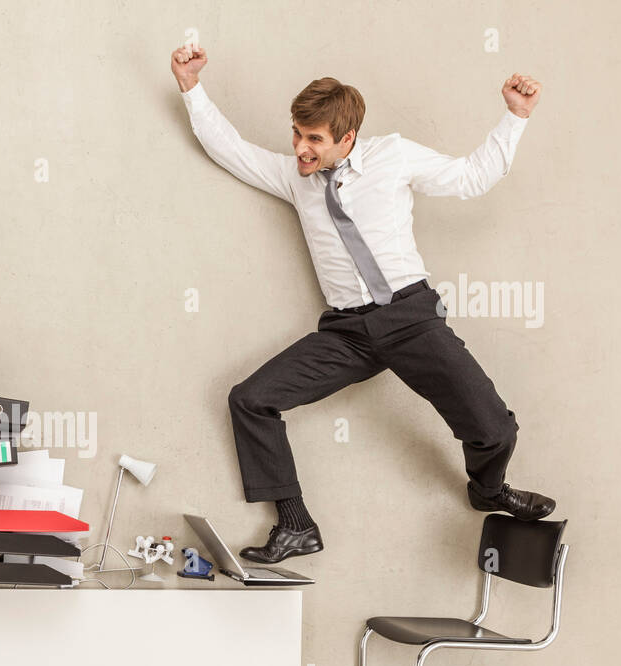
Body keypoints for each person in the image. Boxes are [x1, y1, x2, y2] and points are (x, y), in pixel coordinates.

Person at [171, 43, 556, 564]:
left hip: (410, 317)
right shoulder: (295, 176)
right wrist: (191, 87)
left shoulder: (392, 156)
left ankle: (487, 491)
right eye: (296, 134)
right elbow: (231, 149)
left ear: (347, 138)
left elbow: (469, 177)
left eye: (314, 140)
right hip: (347, 331)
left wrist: (514, 117)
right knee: (250, 398)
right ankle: (296, 525)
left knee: (496, 429)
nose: (301, 148)